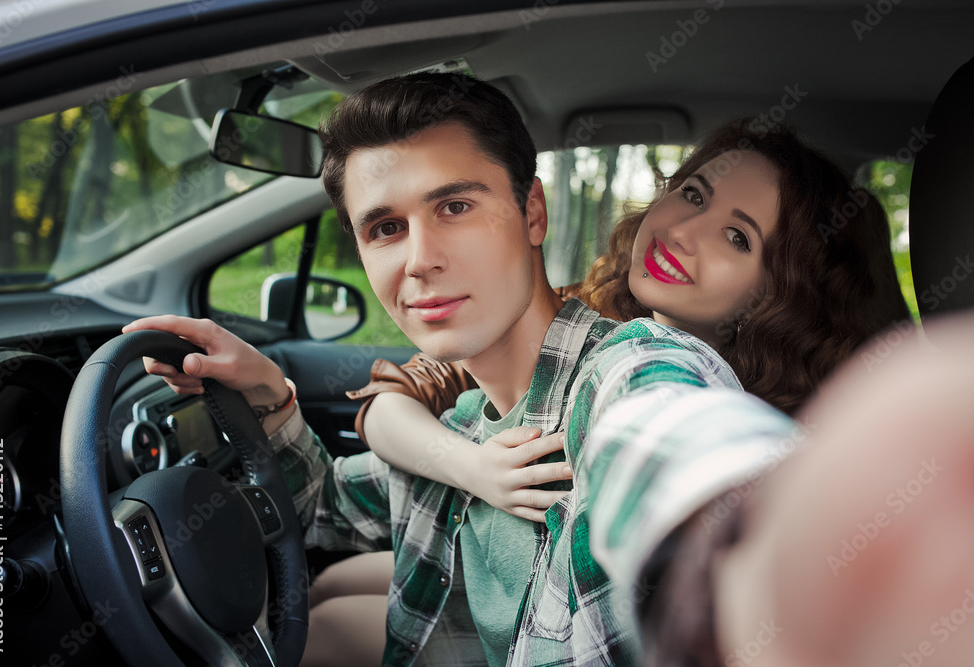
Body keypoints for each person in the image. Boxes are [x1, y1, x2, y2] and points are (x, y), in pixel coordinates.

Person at [122, 72, 892, 665]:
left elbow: (683, 444)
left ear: (532, 212)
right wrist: (270, 394)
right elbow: (330, 508)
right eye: (386, 227)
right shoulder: (477, 412)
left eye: (455, 207)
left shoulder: (636, 370)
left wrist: (792, 549)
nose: (420, 260)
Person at [303, 116, 911, 665]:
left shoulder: (645, 371)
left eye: (737, 238)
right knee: (328, 599)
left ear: (777, 296)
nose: (685, 232)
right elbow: (379, 440)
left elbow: (673, 426)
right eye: (693, 196)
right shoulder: (568, 326)